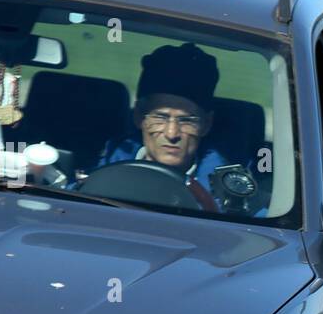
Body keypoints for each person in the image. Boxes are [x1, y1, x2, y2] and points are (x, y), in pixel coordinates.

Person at [96, 42, 267, 216]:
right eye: (160, 118)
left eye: (186, 120)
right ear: (139, 117)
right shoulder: (102, 171)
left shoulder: (235, 200)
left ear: (206, 124)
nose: (172, 134)